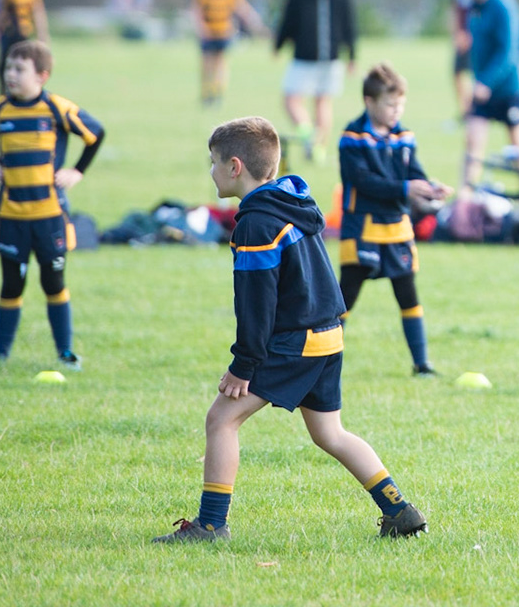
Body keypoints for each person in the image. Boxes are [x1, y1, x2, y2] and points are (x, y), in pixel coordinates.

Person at [154, 117, 427, 542]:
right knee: (330, 433)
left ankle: (210, 525)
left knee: (221, 419)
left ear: (235, 167)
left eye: (213, 162)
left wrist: (243, 367)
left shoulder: (256, 225)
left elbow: (255, 307)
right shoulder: (293, 203)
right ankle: (400, 510)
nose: (210, 170)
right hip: (329, 335)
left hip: (295, 340)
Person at [0, 41, 104, 370]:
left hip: (49, 218)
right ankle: (1, 355)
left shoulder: (56, 109)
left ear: (42, 76)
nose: (10, 75)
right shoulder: (0, 110)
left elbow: (96, 133)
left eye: (19, 69)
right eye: (8, 68)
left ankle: (65, 353)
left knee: (53, 283)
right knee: (11, 285)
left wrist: (77, 171)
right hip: (11, 218)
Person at [338, 64, 453, 377]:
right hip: (361, 228)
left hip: (398, 228)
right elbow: (363, 182)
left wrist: (429, 189)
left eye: (400, 105)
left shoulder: (404, 136)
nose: (395, 111)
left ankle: (422, 364)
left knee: (409, 296)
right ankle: (320, 363)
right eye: (390, 105)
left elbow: (412, 172)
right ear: (369, 102)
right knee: (344, 299)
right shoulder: (352, 139)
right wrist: (405, 188)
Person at [273, 0, 357, 163]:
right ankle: (309, 135)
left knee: (321, 101)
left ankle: (317, 147)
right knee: (293, 99)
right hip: (304, 56)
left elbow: (349, 26)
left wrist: (352, 55)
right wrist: (279, 44)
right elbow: (288, 21)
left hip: (328, 58)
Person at [461, 0, 519, 195]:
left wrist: (486, 82)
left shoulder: (503, 5)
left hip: (507, 89)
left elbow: (508, 52)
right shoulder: (475, 7)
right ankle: (466, 195)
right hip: (482, 89)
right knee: (473, 139)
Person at [191, 0, 268, 106]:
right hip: (208, 33)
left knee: (220, 63)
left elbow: (242, 8)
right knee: (207, 64)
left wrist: (254, 21)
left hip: (224, 32)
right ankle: (206, 93)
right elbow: (196, 11)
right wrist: (201, 27)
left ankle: (217, 92)